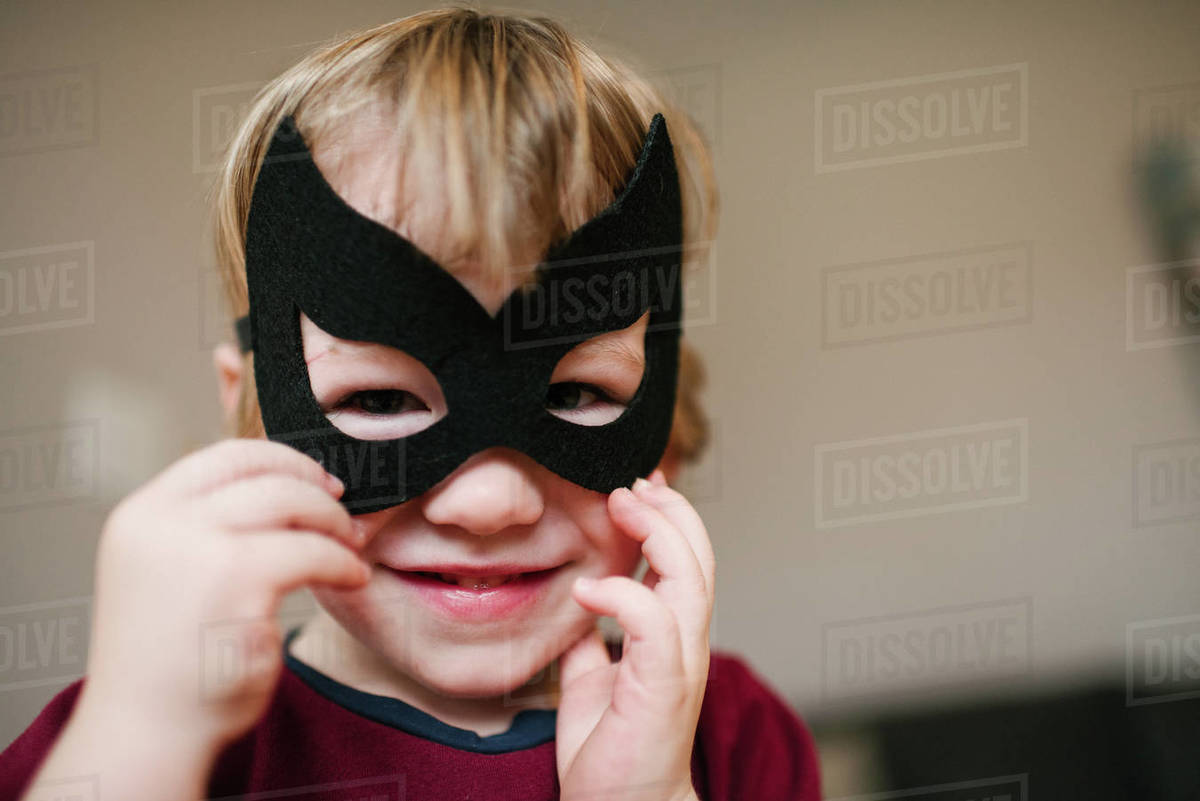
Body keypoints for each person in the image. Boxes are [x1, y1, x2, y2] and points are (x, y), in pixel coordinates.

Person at [0, 8, 821, 800]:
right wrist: (142, 736)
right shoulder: (144, 738)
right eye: (381, 398)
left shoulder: (728, 737)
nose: (487, 503)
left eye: (576, 394)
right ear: (250, 423)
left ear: (666, 436)